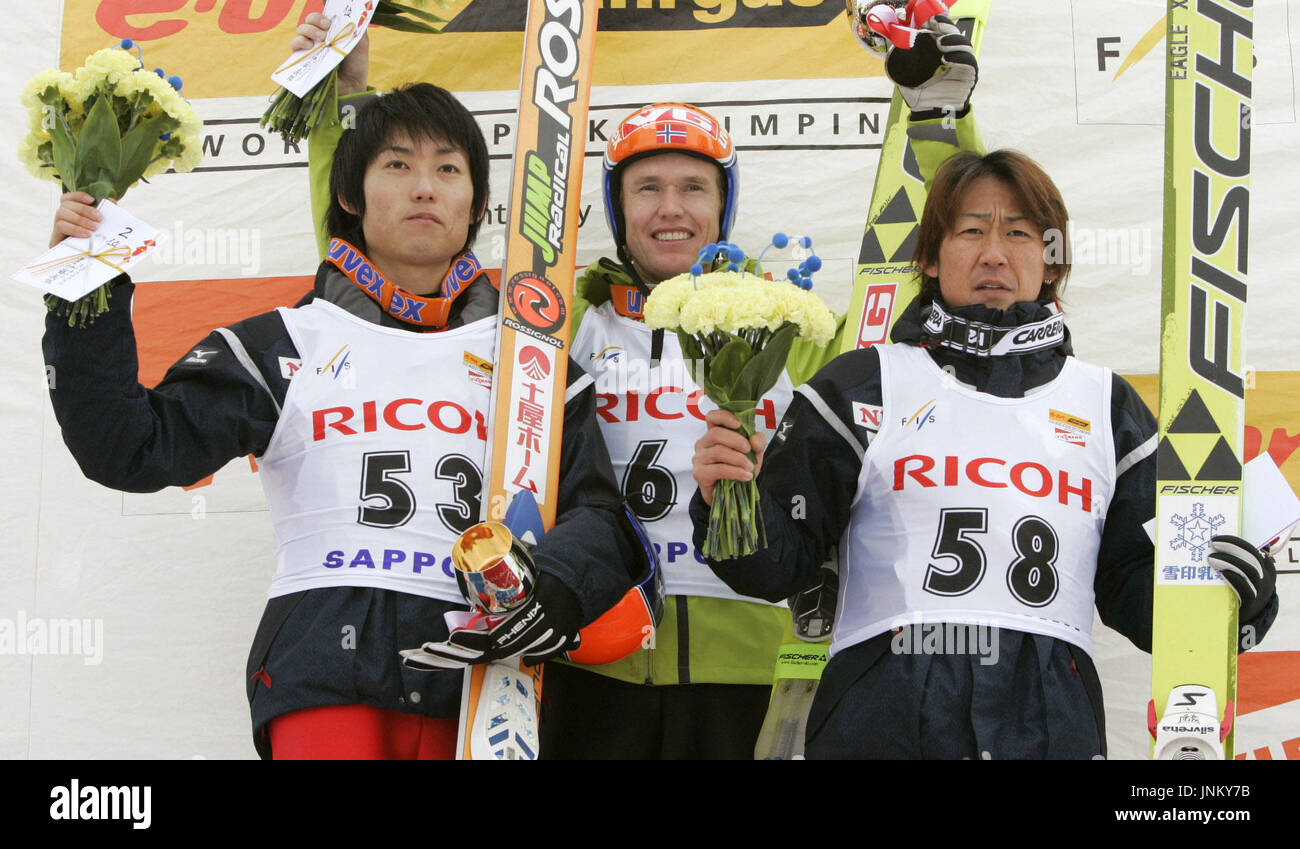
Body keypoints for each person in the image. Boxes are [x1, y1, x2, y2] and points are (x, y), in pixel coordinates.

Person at [293, 0, 983, 758]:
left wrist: (936, 116)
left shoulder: (788, 328)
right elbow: (373, 252)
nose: (671, 210)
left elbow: (918, 277)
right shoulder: (552, 323)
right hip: (587, 659)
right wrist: (342, 102)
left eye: (695, 187)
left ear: (725, 205)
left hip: (746, 667)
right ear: (618, 210)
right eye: (647, 188)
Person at [43, 83, 636, 759]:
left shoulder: (533, 358)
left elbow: (601, 517)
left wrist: (549, 591)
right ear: (350, 196)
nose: (424, 188)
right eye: (397, 165)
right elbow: (129, 448)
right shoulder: (285, 342)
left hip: (490, 678)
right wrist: (82, 287)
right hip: (325, 671)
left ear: (475, 203)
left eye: (448, 169)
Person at [689, 148, 1281, 759]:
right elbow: (776, 569)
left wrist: (1233, 603)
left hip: (1048, 719)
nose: (994, 253)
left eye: (1019, 233)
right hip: (887, 712)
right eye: (971, 230)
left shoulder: (1108, 405)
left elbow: (1138, 593)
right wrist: (728, 499)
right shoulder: (862, 383)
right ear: (930, 256)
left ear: (1052, 261)